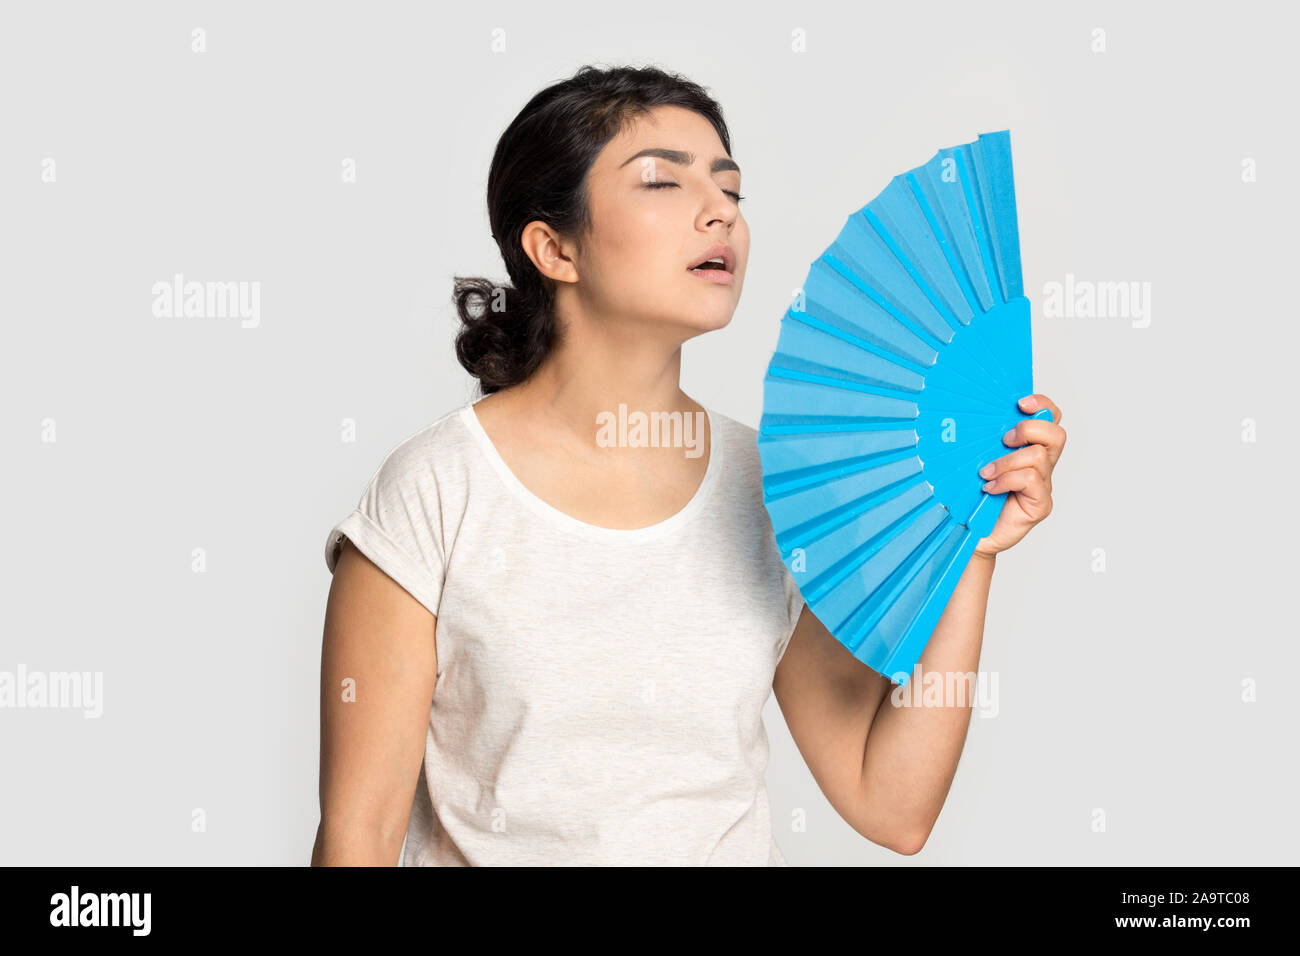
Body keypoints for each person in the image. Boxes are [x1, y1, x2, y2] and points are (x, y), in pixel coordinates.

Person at [311, 64, 1067, 866]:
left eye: (731, 191)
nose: (720, 215)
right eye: (662, 185)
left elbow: (890, 802)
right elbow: (360, 832)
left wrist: (973, 545)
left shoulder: (767, 484)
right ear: (554, 246)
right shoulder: (437, 489)